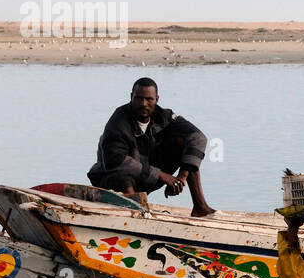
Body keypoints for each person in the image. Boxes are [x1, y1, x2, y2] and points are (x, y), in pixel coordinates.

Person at [87, 77, 215, 217]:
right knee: (122, 174)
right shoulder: (118, 121)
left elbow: (198, 137)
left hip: (145, 176)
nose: (143, 104)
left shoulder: (165, 116)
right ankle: (135, 213)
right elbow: (114, 161)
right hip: (111, 179)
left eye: (149, 99)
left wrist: (181, 177)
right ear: (131, 97)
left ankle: (200, 207)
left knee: (186, 146)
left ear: (157, 99)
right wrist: (162, 176)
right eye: (138, 98)